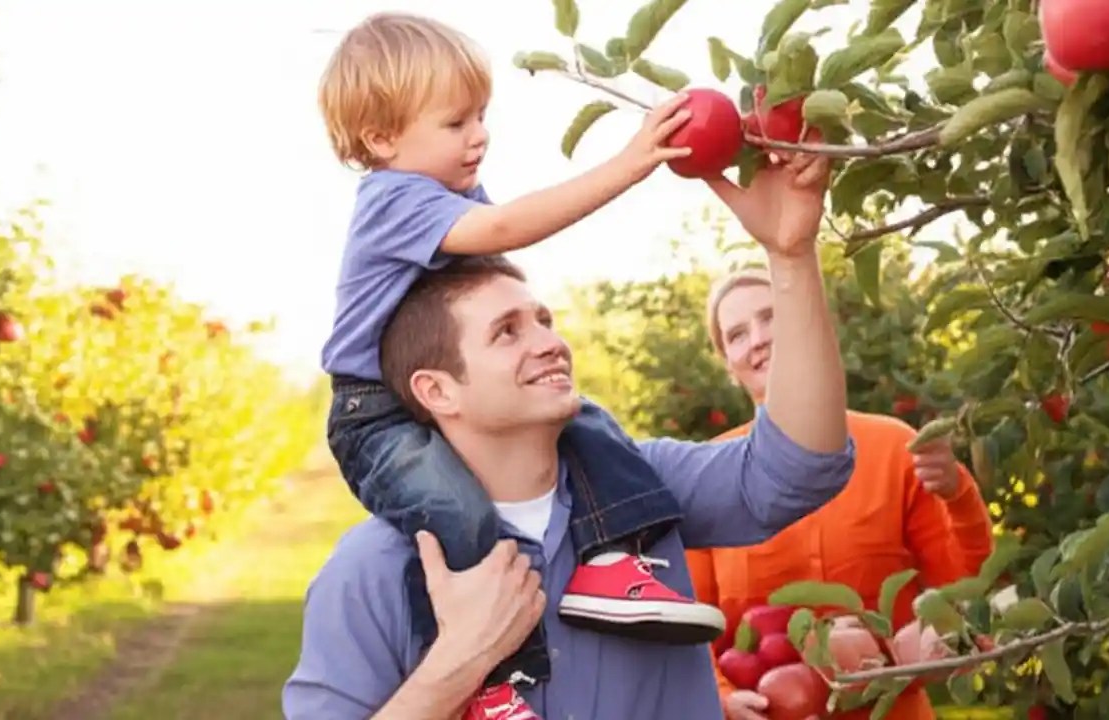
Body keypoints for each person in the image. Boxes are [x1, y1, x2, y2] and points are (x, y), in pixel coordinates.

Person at [284, 153, 854, 719]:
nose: (549, 344)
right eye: (507, 333)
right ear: (437, 391)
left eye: (544, 321)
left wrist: (791, 255)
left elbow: (801, 467)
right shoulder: (375, 569)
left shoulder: (644, 490)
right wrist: (458, 660)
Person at [314, 13, 722, 716]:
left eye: (481, 116)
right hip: (376, 412)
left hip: (435, 387)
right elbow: (505, 232)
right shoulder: (392, 199)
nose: (479, 135)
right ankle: (496, 686)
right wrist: (630, 163)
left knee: (593, 432)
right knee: (456, 520)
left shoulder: (446, 196)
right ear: (382, 139)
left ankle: (606, 563)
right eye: (455, 123)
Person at [685, 266, 994, 720]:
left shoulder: (892, 447)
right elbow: (689, 626)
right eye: (737, 334)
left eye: (772, 317)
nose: (758, 339)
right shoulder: (709, 473)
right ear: (729, 364)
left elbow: (968, 591)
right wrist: (721, 696)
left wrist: (955, 493)